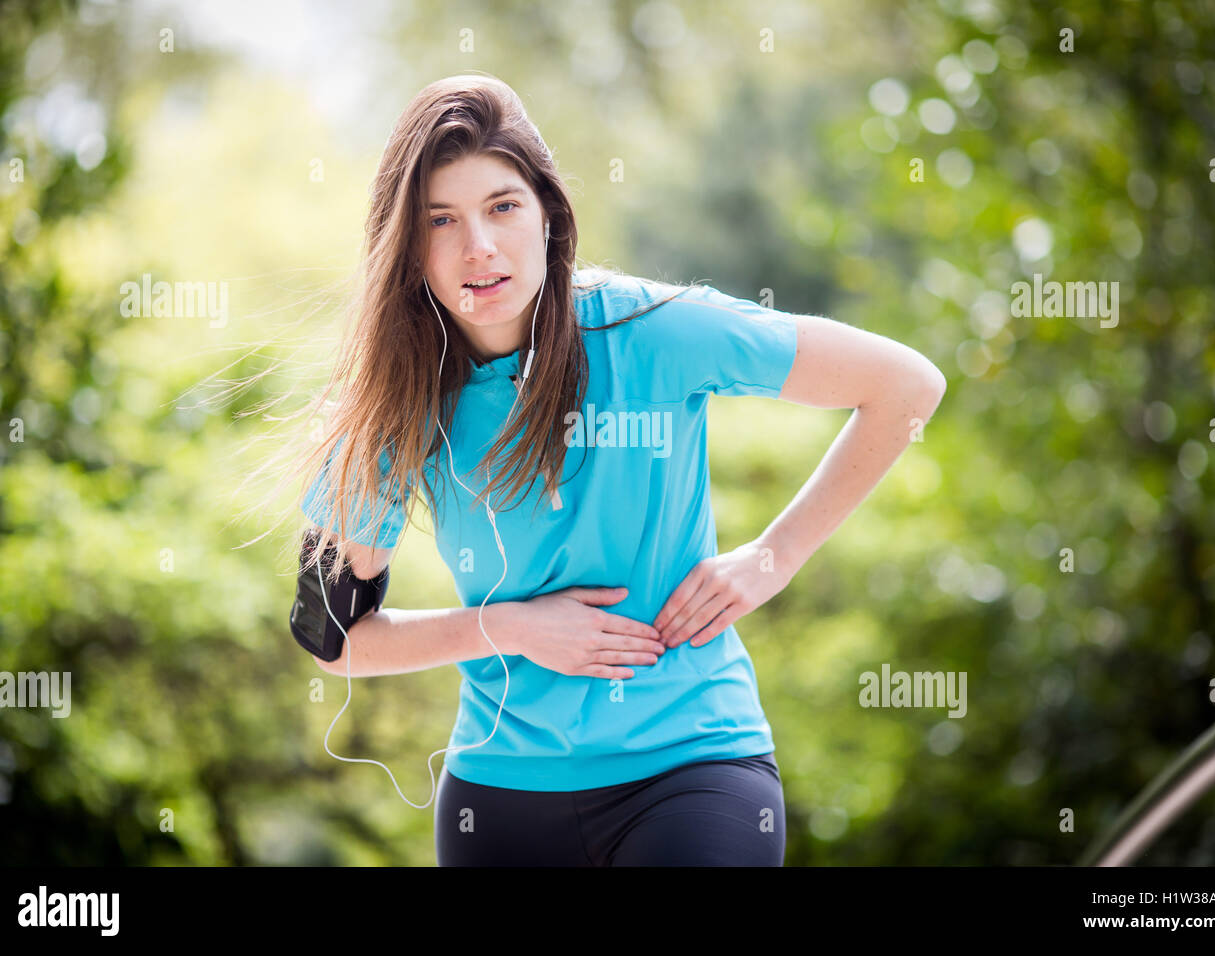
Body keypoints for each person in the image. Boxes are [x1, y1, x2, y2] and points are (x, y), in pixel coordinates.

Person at [294, 72, 947, 866]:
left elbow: (906, 386)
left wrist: (774, 558)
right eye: (442, 221)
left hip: (694, 767)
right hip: (498, 796)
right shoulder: (398, 398)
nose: (480, 247)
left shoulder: (653, 330)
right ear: (408, 249)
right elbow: (334, 637)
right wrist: (512, 629)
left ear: (548, 216)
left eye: (502, 207)